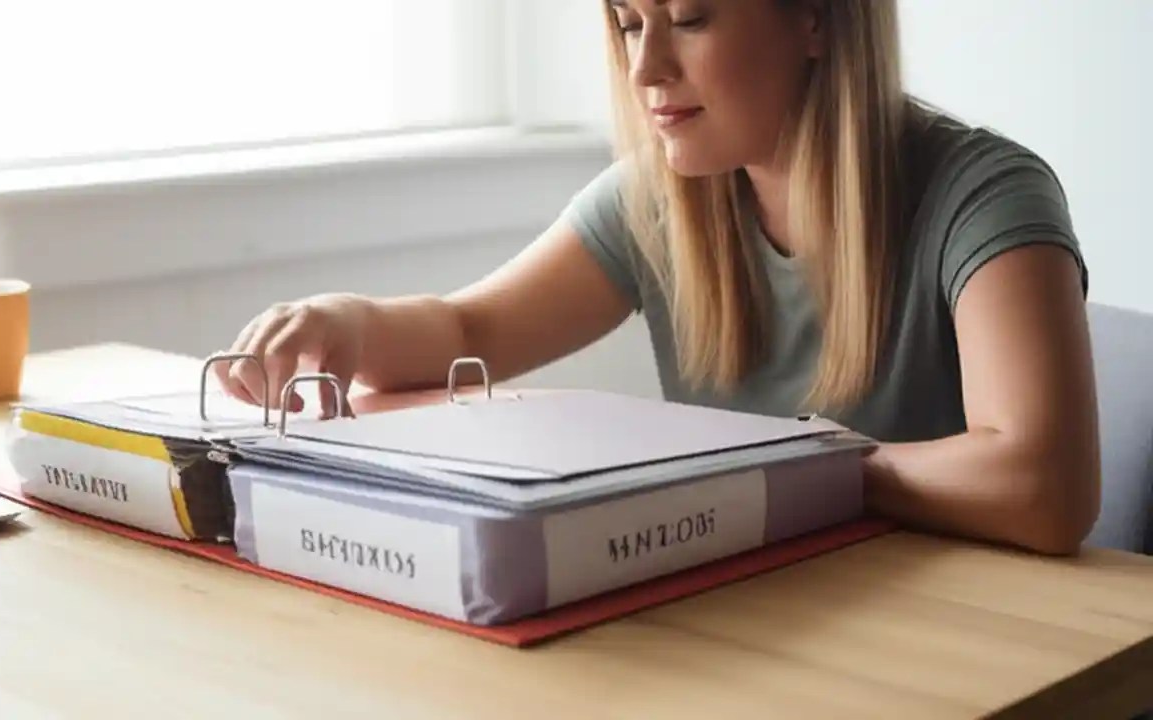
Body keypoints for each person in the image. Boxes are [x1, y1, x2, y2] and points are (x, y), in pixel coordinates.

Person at [215, 0, 1099, 556]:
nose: (645, 71)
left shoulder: (984, 193)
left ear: (817, 19)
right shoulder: (663, 199)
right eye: (631, 24)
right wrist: (348, 322)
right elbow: (471, 332)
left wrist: (802, 469)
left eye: (692, 18)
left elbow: (1044, 487)